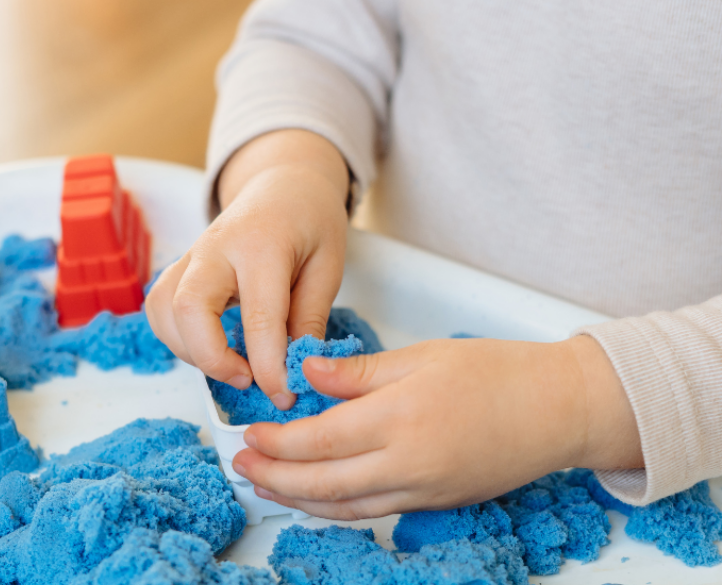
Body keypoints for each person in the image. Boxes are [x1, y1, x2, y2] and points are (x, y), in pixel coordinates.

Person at [145, 0, 722, 520]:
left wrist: (574, 402)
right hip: (408, 317)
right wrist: (287, 169)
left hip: (674, 432)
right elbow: (316, 33)